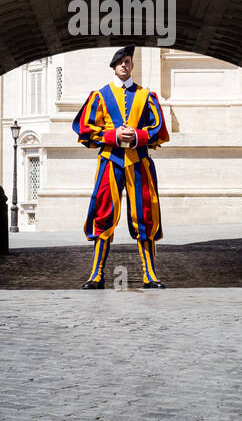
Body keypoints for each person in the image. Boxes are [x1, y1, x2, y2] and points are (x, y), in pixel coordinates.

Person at [71, 45, 170, 289]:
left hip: (139, 162)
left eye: (128, 61)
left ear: (132, 65)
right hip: (110, 160)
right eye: (120, 62)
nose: (124, 65)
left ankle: (150, 274)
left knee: (145, 215)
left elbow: (159, 129)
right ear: (114, 67)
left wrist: (136, 135)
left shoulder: (147, 96)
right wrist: (113, 135)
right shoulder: (99, 95)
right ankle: (96, 274)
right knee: (103, 214)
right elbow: (84, 128)